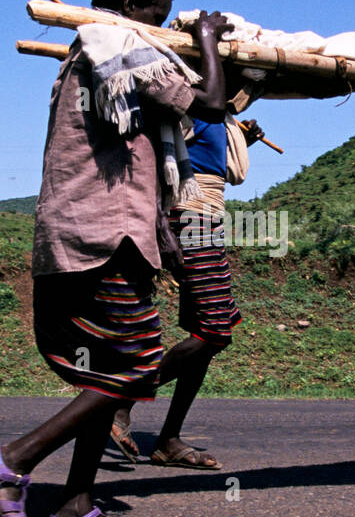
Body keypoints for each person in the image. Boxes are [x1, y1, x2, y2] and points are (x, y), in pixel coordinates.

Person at [0, 0, 231, 517]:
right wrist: (208, 41)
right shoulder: (121, 46)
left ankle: (76, 507)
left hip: (94, 229)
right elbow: (210, 104)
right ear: (133, 6)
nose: (160, 26)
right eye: (157, 15)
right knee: (137, 366)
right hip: (107, 233)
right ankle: (12, 459)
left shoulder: (92, 53)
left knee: (112, 368)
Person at [108, 106, 263, 470]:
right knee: (214, 332)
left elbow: (205, 166)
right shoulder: (180, 104)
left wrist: (243, 141)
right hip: (188, 216)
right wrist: (162, 224)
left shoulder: (216, 114)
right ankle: (121, 400)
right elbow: (150, 165)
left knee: (204, 337)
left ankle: (168, 441)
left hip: (207, 216)